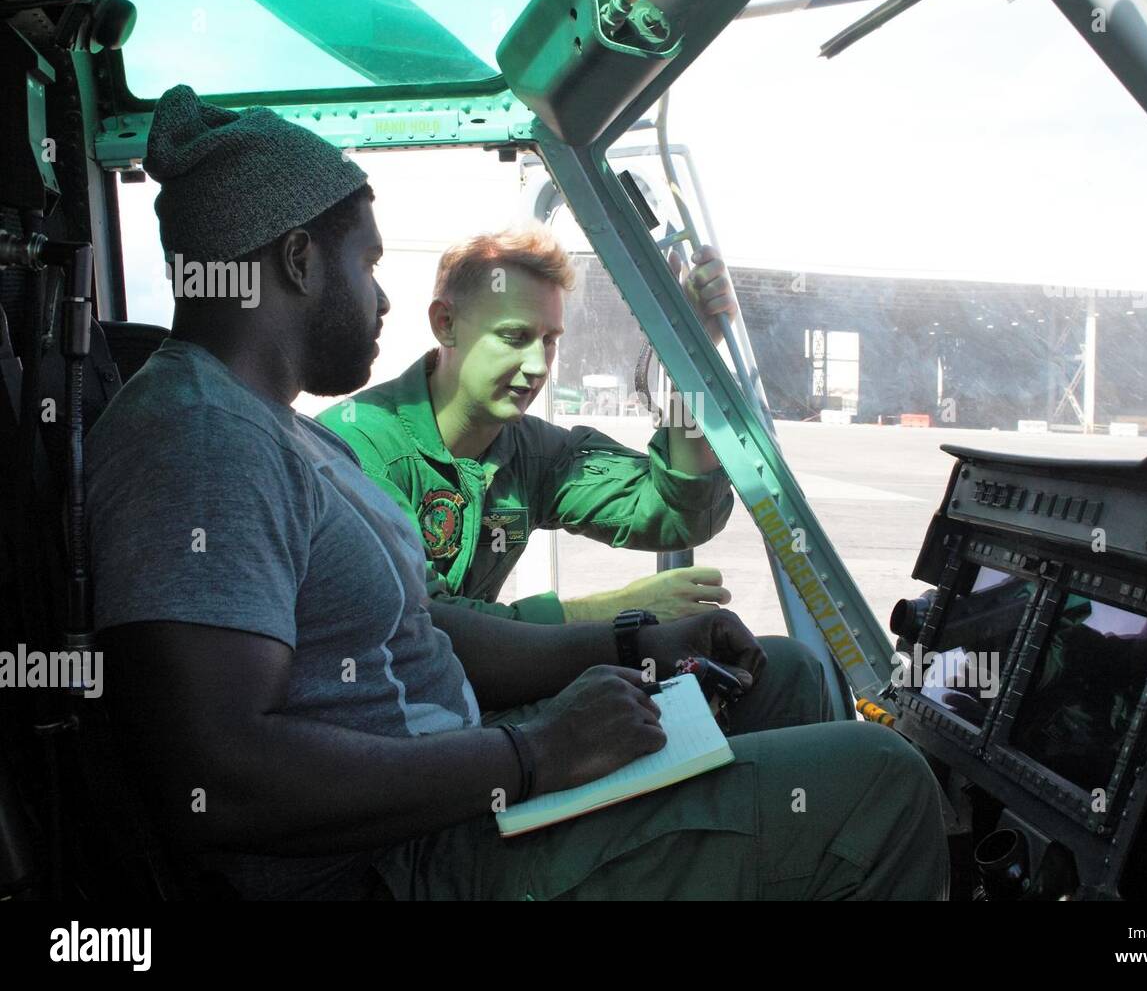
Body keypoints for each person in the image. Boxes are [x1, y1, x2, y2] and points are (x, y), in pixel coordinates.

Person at [86, 85, 949, 901]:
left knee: (788, 673)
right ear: (301, 261)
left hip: (455, 774)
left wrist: (636, 640)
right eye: (369, 263)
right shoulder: (201, 439)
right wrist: (534, 754)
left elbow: (432, 627)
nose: (380, 295)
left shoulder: (281, 432)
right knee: (889, 786)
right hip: (404, 855)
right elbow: (219, 774)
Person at [316, 226, 738, 623]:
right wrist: (615, 610)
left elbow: (678, 513)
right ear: (445, 324)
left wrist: (691, 360)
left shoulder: (533, 452)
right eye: (514, 337)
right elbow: (423, 624)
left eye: (549, 340)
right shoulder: (358, 446)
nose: (538, 366)